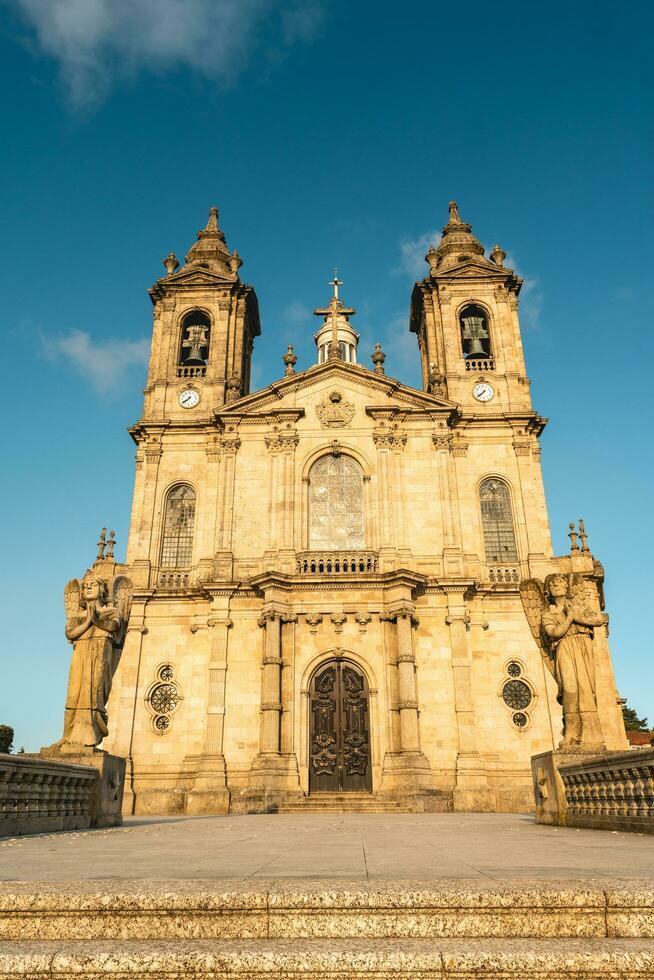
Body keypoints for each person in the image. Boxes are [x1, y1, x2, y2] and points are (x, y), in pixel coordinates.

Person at [541, 573, 606, 749]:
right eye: (553, 585)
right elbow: (554, 633)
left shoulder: (579, 605)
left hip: (582, 645)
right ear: (548, 590)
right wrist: (570, 618)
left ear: (566, 587)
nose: (556, 586)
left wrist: (574, 615)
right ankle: (571, 734)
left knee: (586, 690)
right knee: (569, 690)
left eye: (560, 583)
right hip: (564, 647)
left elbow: (598, 620)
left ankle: (592, 735)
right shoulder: (549, 613)